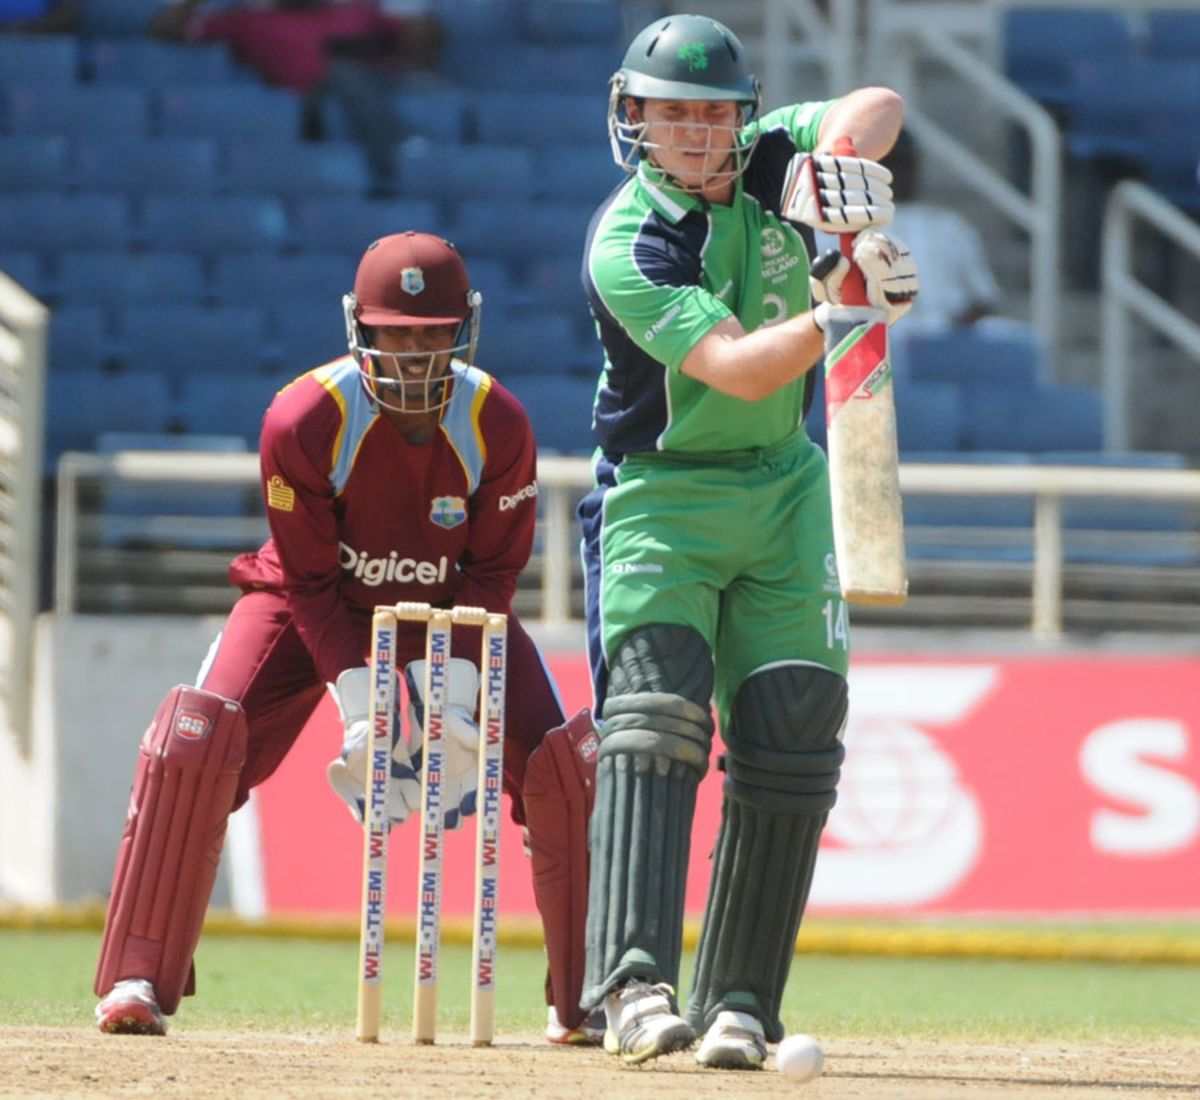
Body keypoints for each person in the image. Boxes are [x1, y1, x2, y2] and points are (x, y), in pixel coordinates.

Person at [93, 231, 602, 1047]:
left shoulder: (496, 421)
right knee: (195, 742)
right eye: (395, 333)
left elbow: (492, 578)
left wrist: (454, 698)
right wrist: (365, 706)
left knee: (565, 769)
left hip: (453, 610)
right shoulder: (303, 417)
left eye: (432, 334)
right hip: (312, 609)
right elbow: (309, 582)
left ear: (462, 329)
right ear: (358, 329)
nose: (413, 354)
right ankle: (137, 976)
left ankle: (587, 998)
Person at [577, 14, 918, 1069]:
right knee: (656, 716)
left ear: (741, 118)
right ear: (631, 120)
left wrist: (841, 169)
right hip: (661, 498)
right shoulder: (629, 242)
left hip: (785, 494)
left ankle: (739, 1004)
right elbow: (736, 367)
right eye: (666, 111)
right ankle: (633, 989)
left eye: (710, 112)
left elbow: (882, 108)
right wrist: (843, 309)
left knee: (793, 727)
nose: (689, 130)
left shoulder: (771, 158)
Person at [883, 129, 1000, 332]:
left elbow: (984, 298)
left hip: (948, 341)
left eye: (905, 163)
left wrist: (952, 334)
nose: (899, 173)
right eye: (890, 164)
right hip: (881, 343)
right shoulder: (850, 228)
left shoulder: (950, 225)